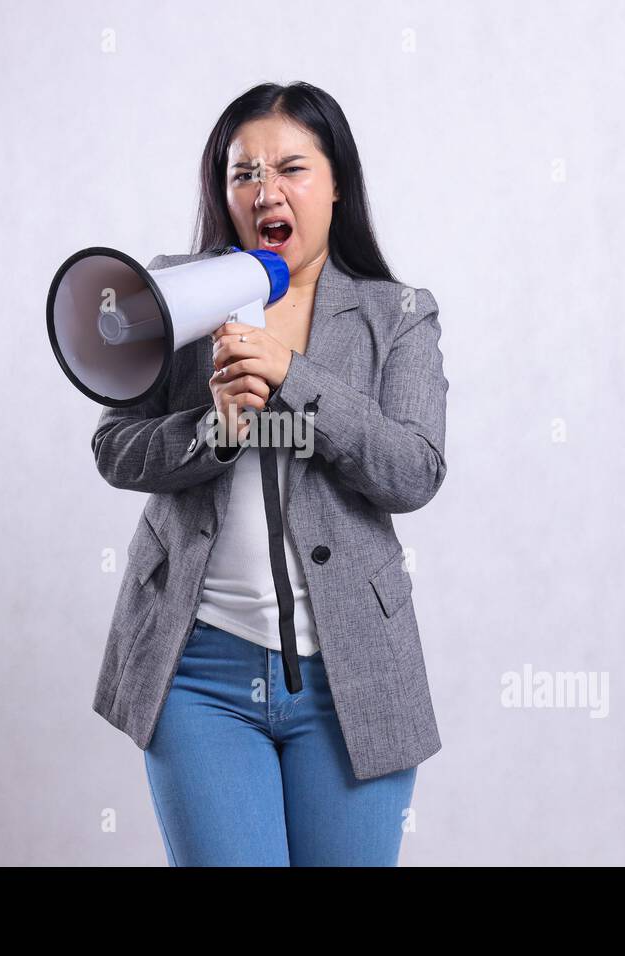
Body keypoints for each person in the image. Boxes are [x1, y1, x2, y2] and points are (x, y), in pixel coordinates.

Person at [91, 80, 449, 866]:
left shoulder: (400, 314)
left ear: (336, 184)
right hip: (198, 673)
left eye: (291, 168)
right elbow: (115, 449)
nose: (265, 191)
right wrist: (212, 430)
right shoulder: (177, 296)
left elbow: (413, 471)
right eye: (243, 173)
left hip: (350, 675)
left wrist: (297, 377)